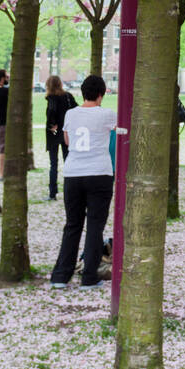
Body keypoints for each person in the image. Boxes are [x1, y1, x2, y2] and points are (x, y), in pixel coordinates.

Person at [49, 75, 116, 288]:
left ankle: (61, 276)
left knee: (73, 225)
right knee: (95, 226)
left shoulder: (71, 114)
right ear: (101, 94)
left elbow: (67, 140)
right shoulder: (107, 114)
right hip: (99, 173)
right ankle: (89, 277)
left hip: (73, 172)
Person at [45, 75, 78, 201]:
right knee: (68, 162)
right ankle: (70, 190)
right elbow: (76, 109)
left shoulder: (51, 98)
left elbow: (51, 114)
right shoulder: (68, 96)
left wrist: (52, 126)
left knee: (53, 163)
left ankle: (52, 192)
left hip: (55, 132)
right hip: (67, 131)